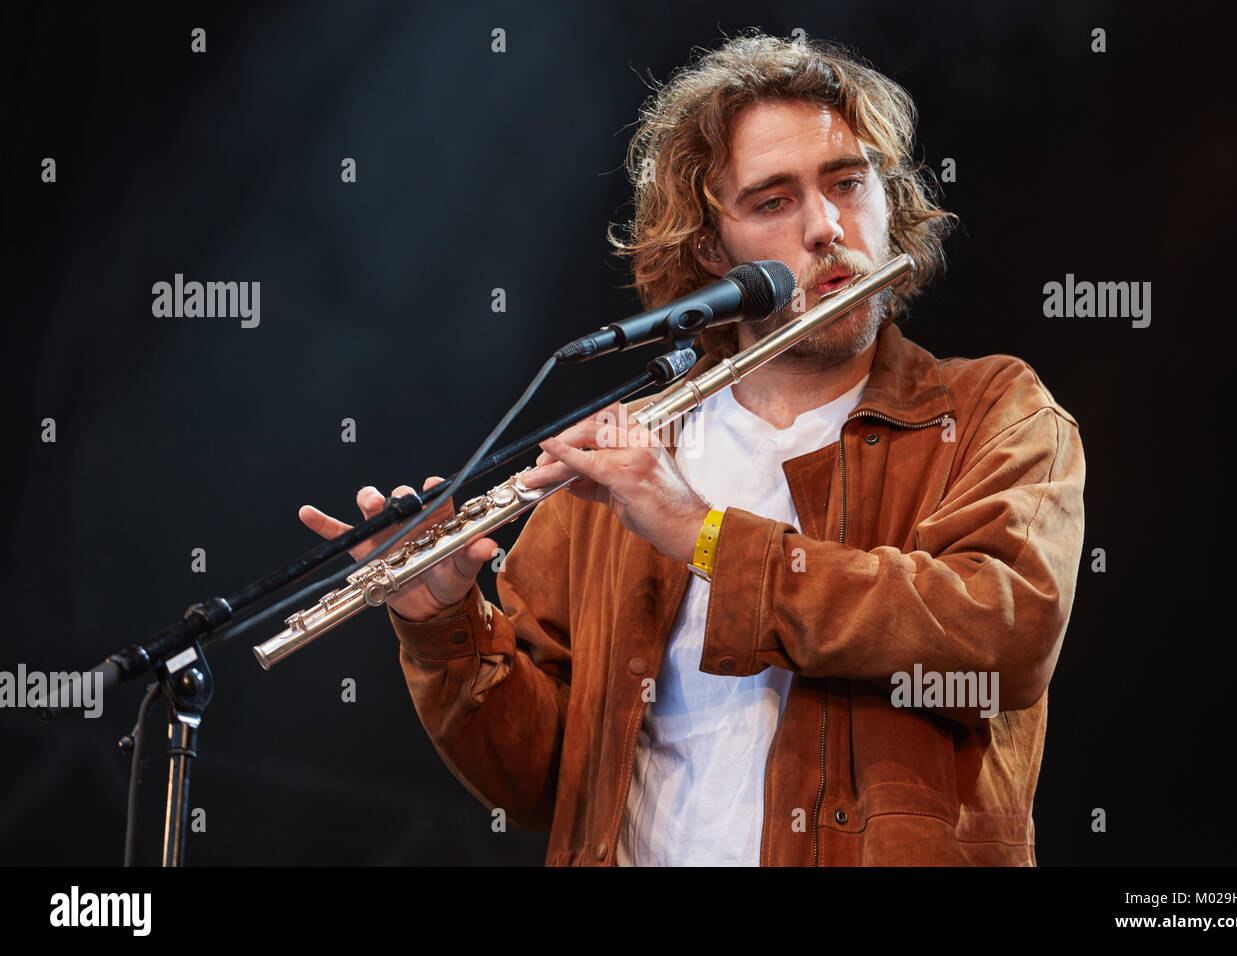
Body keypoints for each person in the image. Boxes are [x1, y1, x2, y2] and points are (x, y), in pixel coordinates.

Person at [301, 33, 1086, 866]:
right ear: (713, 250)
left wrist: (700, 531)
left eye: (848, 183)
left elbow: (1002, 638)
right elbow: (539, 779)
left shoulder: (992, 410)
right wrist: (442, 623)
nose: (827, 227)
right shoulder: (628, 456)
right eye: (773, 201)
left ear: (888, 200)